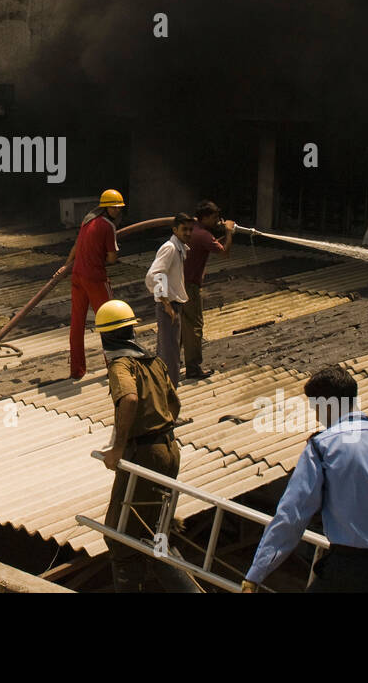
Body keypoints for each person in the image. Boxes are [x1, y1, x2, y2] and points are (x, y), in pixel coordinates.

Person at [240, 365, 368, 593]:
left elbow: (292, 516)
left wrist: (255, 574)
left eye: (316, 409)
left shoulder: (322, 448)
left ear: (327, 404)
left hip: (345, 571)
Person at [96, 299, 199, 593]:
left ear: (105, 336)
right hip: (169, 450)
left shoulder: (121, 365)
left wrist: (117, 448)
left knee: (120, 534)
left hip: (146, 455)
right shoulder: (153, 362)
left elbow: (128, 399)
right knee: (153, 532)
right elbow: (173, 405)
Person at [67, 189, 125, 379]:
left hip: (77, 276)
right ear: (106, 207)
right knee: (111, 321)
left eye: (119, 208)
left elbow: (75, 247)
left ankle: (77, 371)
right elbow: (112, 259)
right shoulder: (108, 226)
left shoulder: (87, 220)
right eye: (114, 207)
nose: (117, 211)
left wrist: (67, 266)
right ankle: (114, 368)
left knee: (77, 324)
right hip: (95, 279)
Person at [182, 200, 237, 379]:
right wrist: (229, 232)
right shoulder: (203, 234)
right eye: (214, 218)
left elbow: (210, 246)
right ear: (204, 218)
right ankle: (193, 368)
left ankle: (169, 364)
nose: (217, 221)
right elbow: (224, 253)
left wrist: (219, 239)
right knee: (194, 327)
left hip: (176, 284)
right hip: (189, 286)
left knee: (180, 326)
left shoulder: (193, 230)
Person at [145, 213, 194, 386]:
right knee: (170, 354)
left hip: (174, 304)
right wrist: (166, 303)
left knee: (168, 350)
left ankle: (163, 388)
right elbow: (154, 275)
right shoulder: (170, 248)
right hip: (169, 305)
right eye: (184, 229)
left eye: (190, 229)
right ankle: (169, 391)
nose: (188, 233)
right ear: (175, 230)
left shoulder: (180, 247)